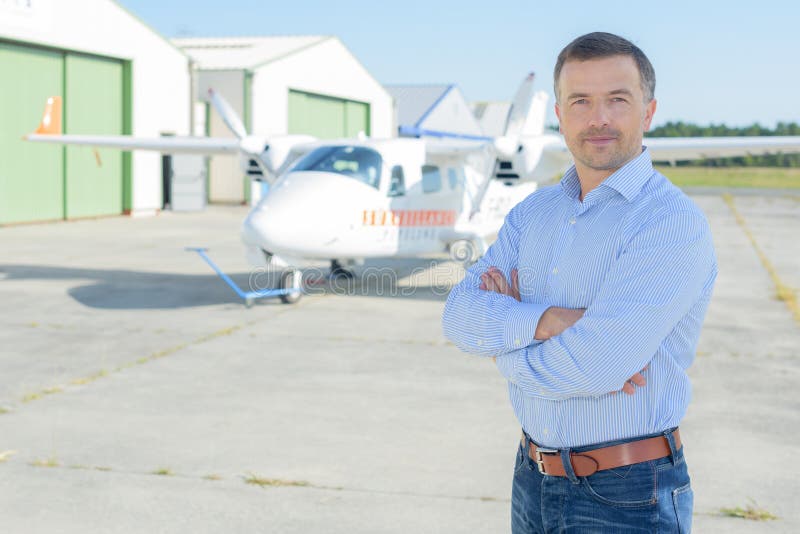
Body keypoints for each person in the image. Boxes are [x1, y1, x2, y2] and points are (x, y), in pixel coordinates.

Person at [442, 32, 717, 533]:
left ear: (649, 111)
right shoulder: (533, 213)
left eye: (618, 99)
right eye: (581, 101)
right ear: (560, 114)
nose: (598, 118)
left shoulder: (669, 223)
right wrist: (550, 321)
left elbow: (595, 367)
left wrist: (504, 348)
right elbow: (459, 316)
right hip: (532, 477)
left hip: (628, 494)